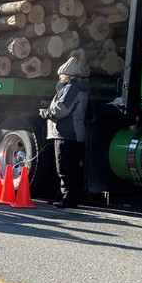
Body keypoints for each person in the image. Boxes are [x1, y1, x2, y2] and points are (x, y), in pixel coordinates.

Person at [39, 54, 90, 208]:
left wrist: (45, 112)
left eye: (61, 74)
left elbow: (60, 110)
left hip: (67, 135)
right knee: (68, 168)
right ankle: (60, 196)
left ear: (68, 75)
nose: (60, 77)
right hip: (72, 135)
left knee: (64, 169)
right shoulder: (77, 88)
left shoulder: (71, 89)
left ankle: (68, 200)